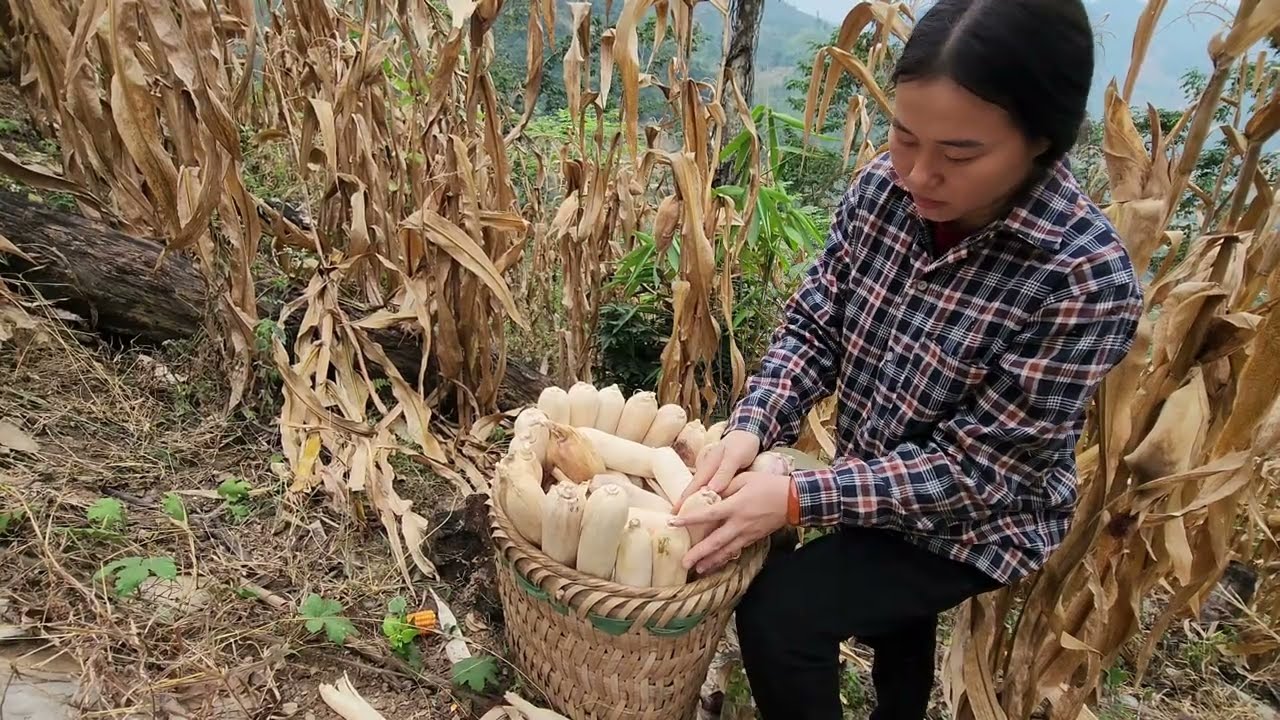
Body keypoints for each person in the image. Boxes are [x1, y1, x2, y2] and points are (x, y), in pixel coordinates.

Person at [668, 0, 1145, 718]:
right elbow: (815, 326)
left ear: (1042, 142)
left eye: (959, 155)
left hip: (978, 522)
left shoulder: (1084, 279)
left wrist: (799, 497)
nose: (918, 175)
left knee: (781, 611)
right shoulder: (879, 191)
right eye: (903, 135)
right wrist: (752, 424)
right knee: (892, 625)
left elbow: (976, 472)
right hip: (877, 467)